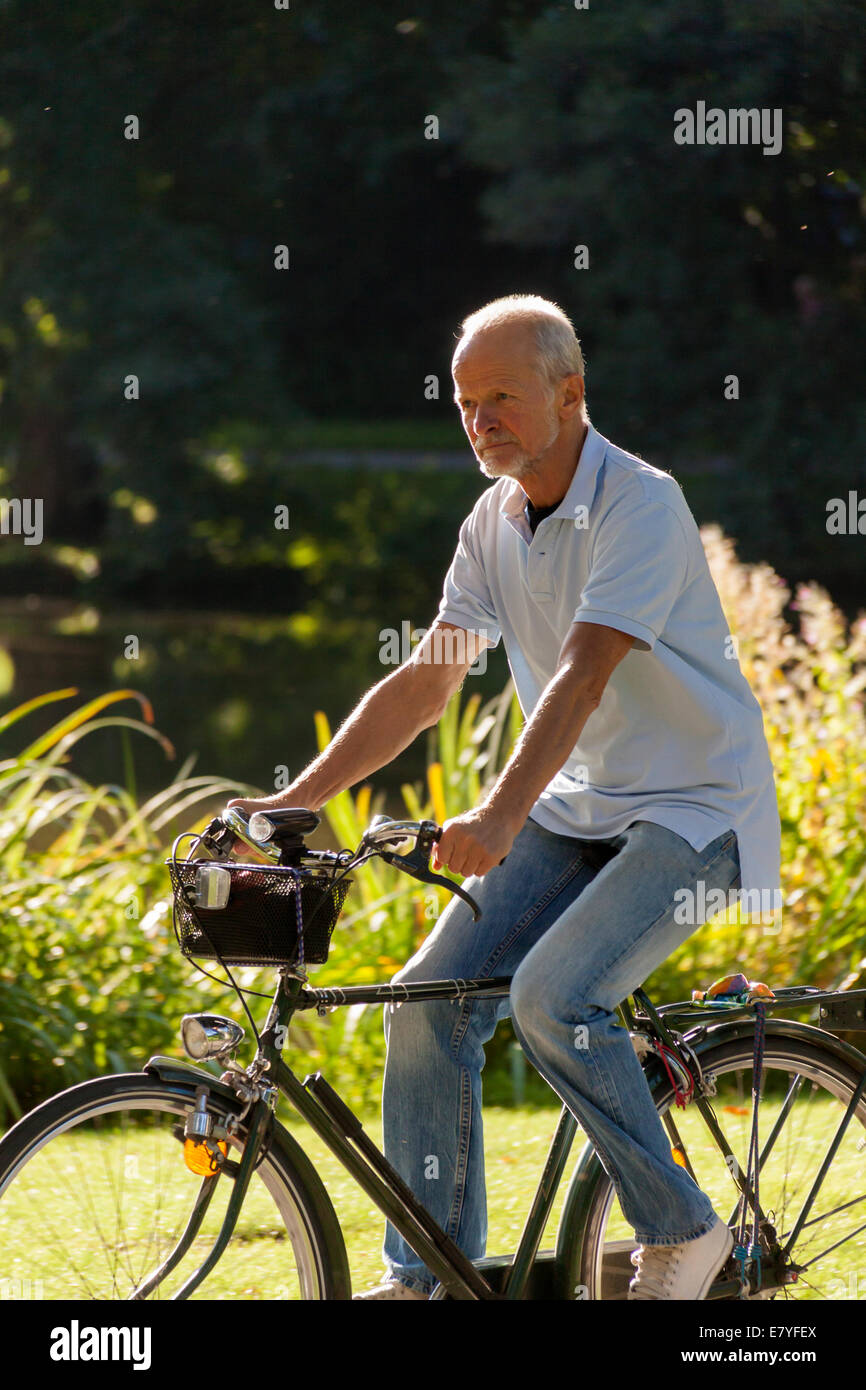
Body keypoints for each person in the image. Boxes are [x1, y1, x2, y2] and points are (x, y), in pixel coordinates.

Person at [228, 293, 781, 1301]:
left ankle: (683, 1232)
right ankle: (429, 1276)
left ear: (570, 395)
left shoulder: (639, 503)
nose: (479, 421)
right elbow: (427, 678)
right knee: (422, 1006)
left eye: (501, 399)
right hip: (582, 807)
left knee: (553, 997)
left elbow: (580, 673)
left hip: (695, 809)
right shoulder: (491, 520)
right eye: (463, 402)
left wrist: (496, 815)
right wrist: (291, 805)